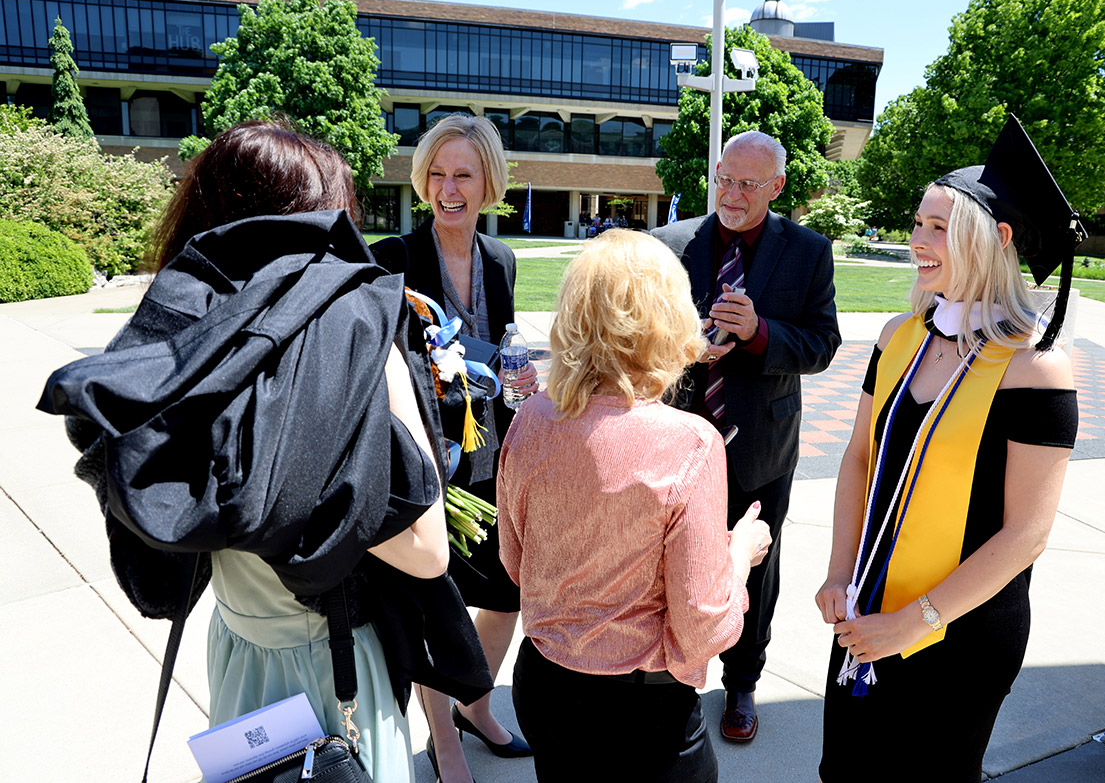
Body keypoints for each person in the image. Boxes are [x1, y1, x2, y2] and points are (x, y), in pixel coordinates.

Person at [38, 119, 459, 782]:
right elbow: (429, 549)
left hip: (238, 651)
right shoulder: (351, 350)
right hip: (331, 667)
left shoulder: (178, 351)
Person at [814, 115, 1081, 781]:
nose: (918, 242)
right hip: (871, 603)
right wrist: (839, 573)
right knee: (845, 770)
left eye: (939, 228)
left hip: (962, 626)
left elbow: (1027, 533)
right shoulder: (897, 337)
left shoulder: (1034, 365)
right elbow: (858, 458)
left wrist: (916, 621)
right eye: (917, 224)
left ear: (997, 238)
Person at [496, 229, 772, 782]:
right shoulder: (690, 443)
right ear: (667, 318)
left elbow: (515, 560)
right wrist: (739, 554)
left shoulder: (532, 420)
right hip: (645, 715)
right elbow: (702, 626)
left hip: (545, 684)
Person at [651, 130, 841, 742]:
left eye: (748, 184)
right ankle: (673, 679)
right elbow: (639, 337)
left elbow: (821, 345)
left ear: (777, 187)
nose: (731, 193)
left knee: (754, 564)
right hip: (674, 441)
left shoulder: (809, 251)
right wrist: (688, 349)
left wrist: (760, 334)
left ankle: (741, 684)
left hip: (759, 446)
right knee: (666, 562)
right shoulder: (670, 246)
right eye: (724, 179)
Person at [370, 112, 537, 782]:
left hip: (492, 450)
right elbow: (382, 360)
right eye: (437, 173)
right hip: (425, 456)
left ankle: (475, 703)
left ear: (487, 181)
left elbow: (503, 342)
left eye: (462, 172)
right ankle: (443, 738)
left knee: (506, 593)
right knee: (431, 601)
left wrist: (521, 372)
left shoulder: (501, 259)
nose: (448, 187)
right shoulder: (395, 258)